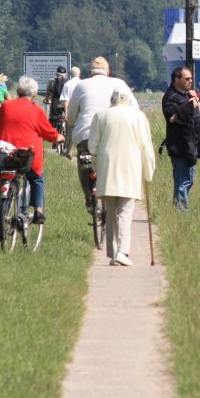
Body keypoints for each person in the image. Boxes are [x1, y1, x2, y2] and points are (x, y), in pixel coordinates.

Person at [88, 87, 155, 266]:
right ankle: (122, 251)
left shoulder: (101, 115)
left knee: (110, 210)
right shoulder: (138, 116)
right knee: (125, 210)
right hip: (130, 167)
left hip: (107, 167)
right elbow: (146, 148)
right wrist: (148, 172)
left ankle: (113, 252)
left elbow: (92, 146)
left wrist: (97, 162)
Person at [0, 76, 64, 225]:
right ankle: (38, 211)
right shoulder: (36, 110)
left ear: (18, 91)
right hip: (27, 156)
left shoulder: (6, 106)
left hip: (7, 155)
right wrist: (59, 137)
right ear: (34, 93)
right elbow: (48, 133)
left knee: (6, 179)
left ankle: (2, 216)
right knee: (37, 178)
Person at [67, 56, 136, 209]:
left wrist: (72, 124)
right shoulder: (119, 83)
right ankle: (116, 193)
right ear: (108, 71)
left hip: (86, 134)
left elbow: (71, 116)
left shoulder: (81, 85)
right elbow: (135, 110)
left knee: (84, 162)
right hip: (114, 136)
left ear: (90, 73)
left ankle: (88, 195)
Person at [162, 67, 200, 210]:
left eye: (191, 78)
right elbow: (172, 117)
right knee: (182, 181)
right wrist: (191, 103)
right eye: (187, 79)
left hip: (190, 145)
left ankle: (179, 208)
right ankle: (180, 212)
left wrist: (194, 98)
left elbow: (198, 110)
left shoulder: (186, 95)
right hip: (180, 146)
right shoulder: (171, 97)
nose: (190, 81)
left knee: (189, 180)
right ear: (176, 80)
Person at [43, 66, 68, 149]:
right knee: (66, 119)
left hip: (55, 104)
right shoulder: (67, 82)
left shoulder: (52, 81)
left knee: (53, 121)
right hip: (65, 104)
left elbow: (48, 92)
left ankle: (55, 140)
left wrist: (47, 99)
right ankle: (66, 139)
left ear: (56, 73)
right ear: (65, 74)